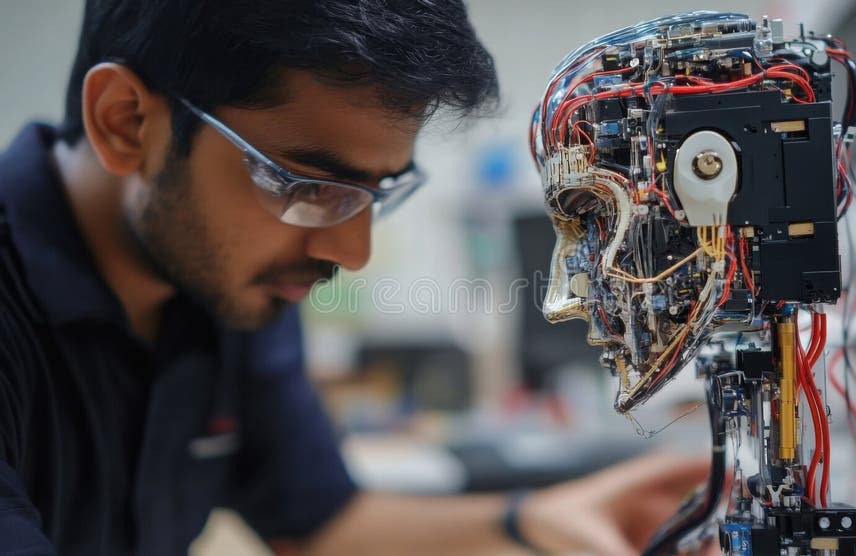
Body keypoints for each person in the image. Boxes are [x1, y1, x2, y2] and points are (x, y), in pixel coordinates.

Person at [0, 1, 713, 555]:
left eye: (375, 191)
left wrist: (538, 519)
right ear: (125, 121)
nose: (351, 250)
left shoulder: (225, 280)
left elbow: (322, 524)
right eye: (305, 183)